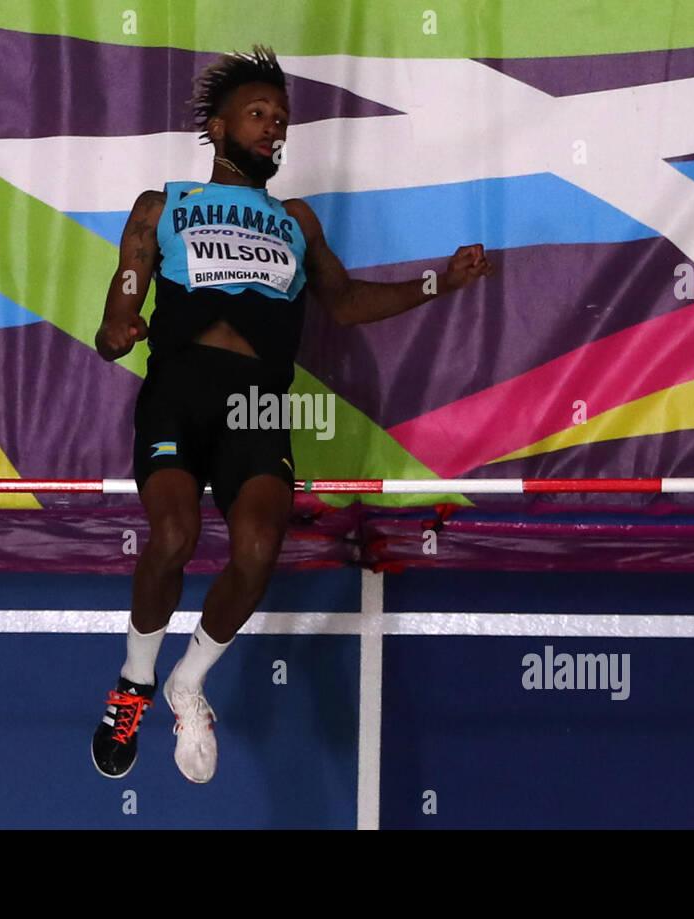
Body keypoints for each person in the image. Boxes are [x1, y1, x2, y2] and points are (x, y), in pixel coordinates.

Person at [91, 45, 493, 783]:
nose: (274, 128)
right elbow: (116, 313)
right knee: (174, 533)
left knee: (257, 551)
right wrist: (117, 331)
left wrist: (440, 281)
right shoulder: (162, 207)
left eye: (281, 120)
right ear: (216, 128)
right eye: (258, 114)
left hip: (255, 403)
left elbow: (344, 302)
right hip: (179, 389)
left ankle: (190, 682)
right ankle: (136, 680)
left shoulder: (296, 223)